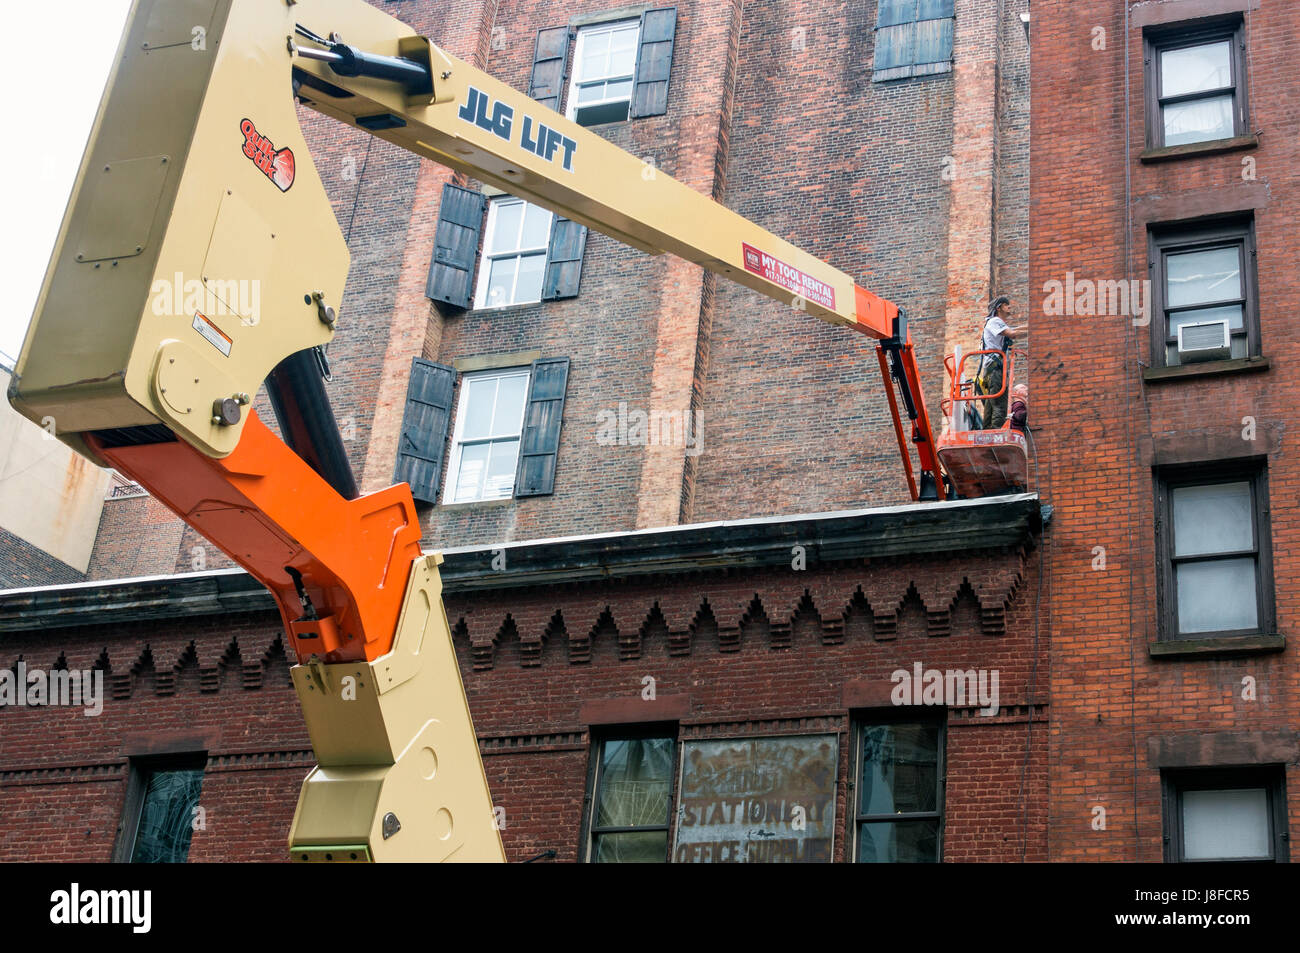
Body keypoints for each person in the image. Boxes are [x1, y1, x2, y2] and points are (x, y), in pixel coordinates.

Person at [976, 296, 1027, 429]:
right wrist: (1033, 330)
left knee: (991, 402)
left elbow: (1015, 329)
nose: (1009, 307)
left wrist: (1031, 326)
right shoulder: (995, 321)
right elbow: (1013, 333)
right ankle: (996, 432)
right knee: (1000, 404)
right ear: (999, 308)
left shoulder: (995, 322)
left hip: (992, 368)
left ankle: (987, 429)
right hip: (996, 368)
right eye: (1006, 305)